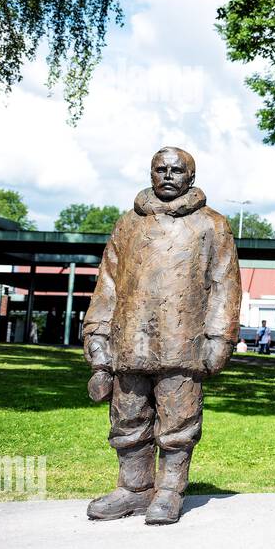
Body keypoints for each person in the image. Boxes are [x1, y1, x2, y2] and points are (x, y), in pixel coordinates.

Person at [82, 147, 241, 525]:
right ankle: (133, 489)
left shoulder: (211, 224)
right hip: (130, 340)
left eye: (176, 170)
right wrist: (98, 332)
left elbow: (225, 284)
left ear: (191, 177)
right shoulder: (128, 224)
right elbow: (108, 281)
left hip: (183, 343)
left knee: (178, 423)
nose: (168, 175)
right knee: (127, 418)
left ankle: (169, 491)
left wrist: (220, 338)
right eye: (160, 169)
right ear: (151, 173)